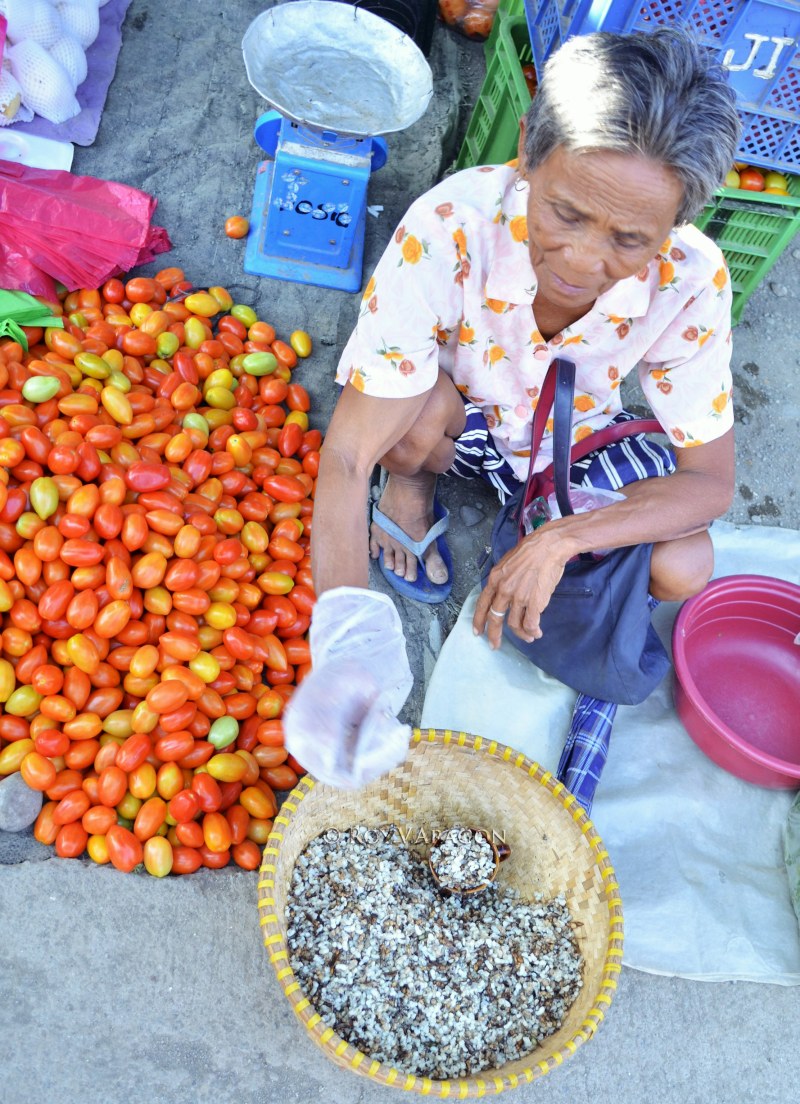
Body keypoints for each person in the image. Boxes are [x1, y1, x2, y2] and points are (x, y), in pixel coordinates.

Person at [284, 26, 742, 795]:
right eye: (564, 213)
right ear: (528, 149)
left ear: (676, 226)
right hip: (458, 412)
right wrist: (347, 640)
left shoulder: (692, 277)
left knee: (686, 562)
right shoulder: (450, 227)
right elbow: (349, 452)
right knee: (411, 397)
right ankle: (415, 491)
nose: (583, 262)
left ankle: (531, 531)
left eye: (630, 238)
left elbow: (710, 481)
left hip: (570, 440)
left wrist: (565, 538)